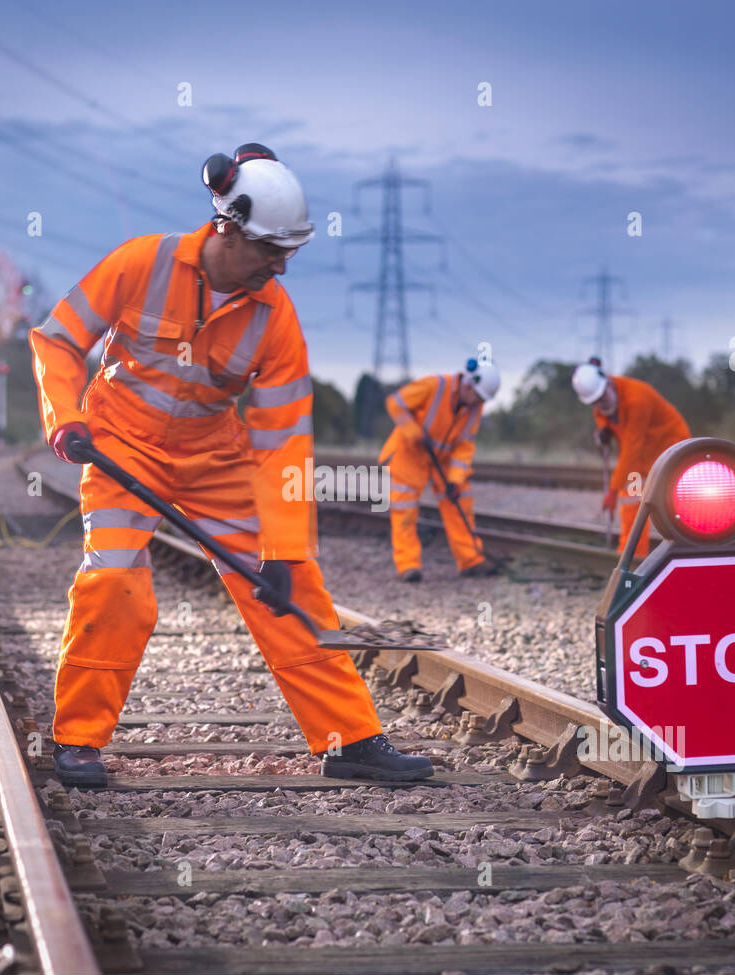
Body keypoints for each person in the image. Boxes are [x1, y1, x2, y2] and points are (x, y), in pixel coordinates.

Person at [30, 142, 434, 787]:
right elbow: (57, 339)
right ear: (228, 227)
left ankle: (350, 741)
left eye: (288, 252)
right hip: (119, 446)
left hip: (215, 458)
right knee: (114, 581)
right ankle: (77, 742)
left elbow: (283, 441)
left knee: (291, 585)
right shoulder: (141, 263)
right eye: (272, 251)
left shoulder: (276, 318)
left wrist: (282, 547)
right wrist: (64, 417)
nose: (281, 266)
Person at [379, 358, 501, 582]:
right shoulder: (434, 385)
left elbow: (465, 444)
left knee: (460, 499)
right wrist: (413, 431)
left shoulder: (475, 406)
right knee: (404, 507)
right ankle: (408, 566)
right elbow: (396, 403)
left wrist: (455, 480)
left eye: (483, 400)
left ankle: (471, 560)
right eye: (478, 396)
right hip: (410, 452)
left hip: (443, 458)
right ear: (467, 384)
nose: (479, 403)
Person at [572, 361, 691, 554]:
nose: (600, 405)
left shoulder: (637, 399)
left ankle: (690, 552)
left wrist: (611, 491)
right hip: (643, 459)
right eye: (595, 403)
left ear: (609, 382)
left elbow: (631, 448)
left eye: (602, 398)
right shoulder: (600, 402)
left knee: (677, 507)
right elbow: (603, 415)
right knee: (631, 499)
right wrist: (604, 429)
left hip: (670, 449)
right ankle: (632, 561)